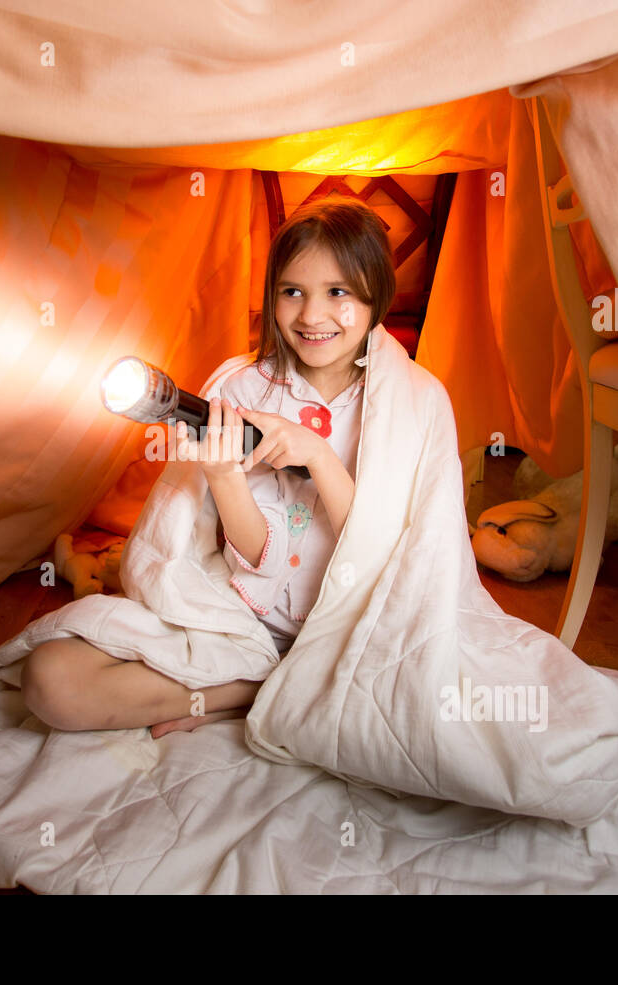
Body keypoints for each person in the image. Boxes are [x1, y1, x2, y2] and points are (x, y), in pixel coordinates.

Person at [21, 199, 396, 738]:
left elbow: (385, 554)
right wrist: (224, 477)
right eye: (293, 291)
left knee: (414, 702)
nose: (312, 315)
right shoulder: (243, 389)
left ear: (375, 293)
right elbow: (256, 558)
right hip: (236, 623)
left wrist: (315, 454)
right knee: (50, 679)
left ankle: (282, 688)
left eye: (337, 292)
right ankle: (261, 689)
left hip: (351, 634)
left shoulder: (401, 402)